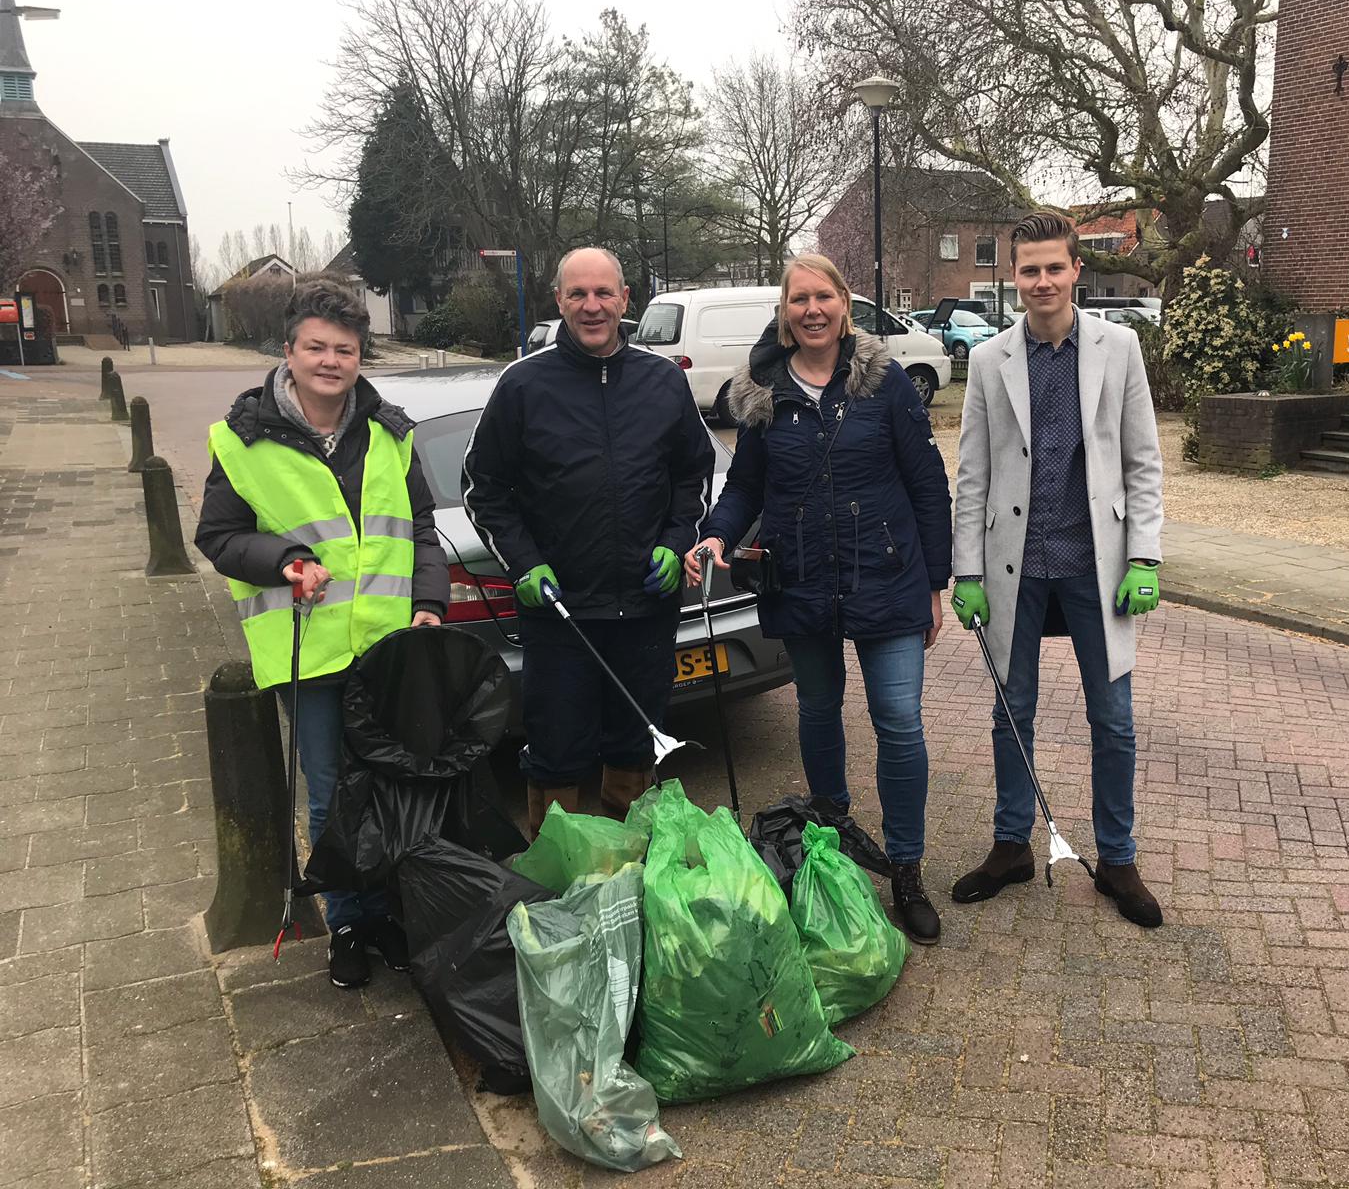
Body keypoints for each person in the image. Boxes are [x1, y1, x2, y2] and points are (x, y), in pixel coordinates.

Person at [688, 253, 952, 944]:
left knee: (898, 721)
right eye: (798, 299)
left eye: (823, 297)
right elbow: (745, 485)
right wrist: (717, 535)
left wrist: (935, 582)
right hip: (800, 576)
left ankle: (907, 867)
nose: (811, 310)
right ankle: (831, 833)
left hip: (887, 574)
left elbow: (926, 482)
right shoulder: (764, 392)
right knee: (817, 708)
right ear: (785, 312)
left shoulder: (887, 385)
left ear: (845, 305)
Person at [195, 278, 449, 987]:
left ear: (360, 356)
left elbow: (419, 528)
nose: (330, 360)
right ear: (289, 352)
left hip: (388, 644)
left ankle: (390, 910)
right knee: (332, 790)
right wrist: (284, 560)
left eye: (345, 349)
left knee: (392, 783)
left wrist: (429, 601)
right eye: (317, 347)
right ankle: (347, 919)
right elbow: (217, 536)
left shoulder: (391, 433)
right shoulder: (242, 437)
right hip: (308, 648)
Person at [949, 209, 1166, 928]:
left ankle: (1118, 857)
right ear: (1014, 278)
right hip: (1017, 564)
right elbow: (973, 474)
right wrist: (967, 570)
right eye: (1028, 269)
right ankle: (1011, 845)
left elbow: (1142, 462)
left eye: (1053, 267)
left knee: (1115, 720)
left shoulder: (1119, 348)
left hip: (1094, 565)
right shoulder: (988, 361)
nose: (1041, 281)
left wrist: (1144, 555)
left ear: (1077, 270)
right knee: (1011, 713)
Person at [463, 247, 713, 834]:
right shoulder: (523, 385)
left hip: (646, 612)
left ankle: (628, 884)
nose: (592, 305)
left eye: (604, 293)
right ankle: (564, 889)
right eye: (578, 294)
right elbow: (484, 487)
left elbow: (692, 476)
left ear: (626, 300)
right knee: (556, 755)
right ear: (560, 301)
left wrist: (677, 545)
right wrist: (523, 563)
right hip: (561, 617)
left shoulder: (663, 382)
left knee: (633, 750)